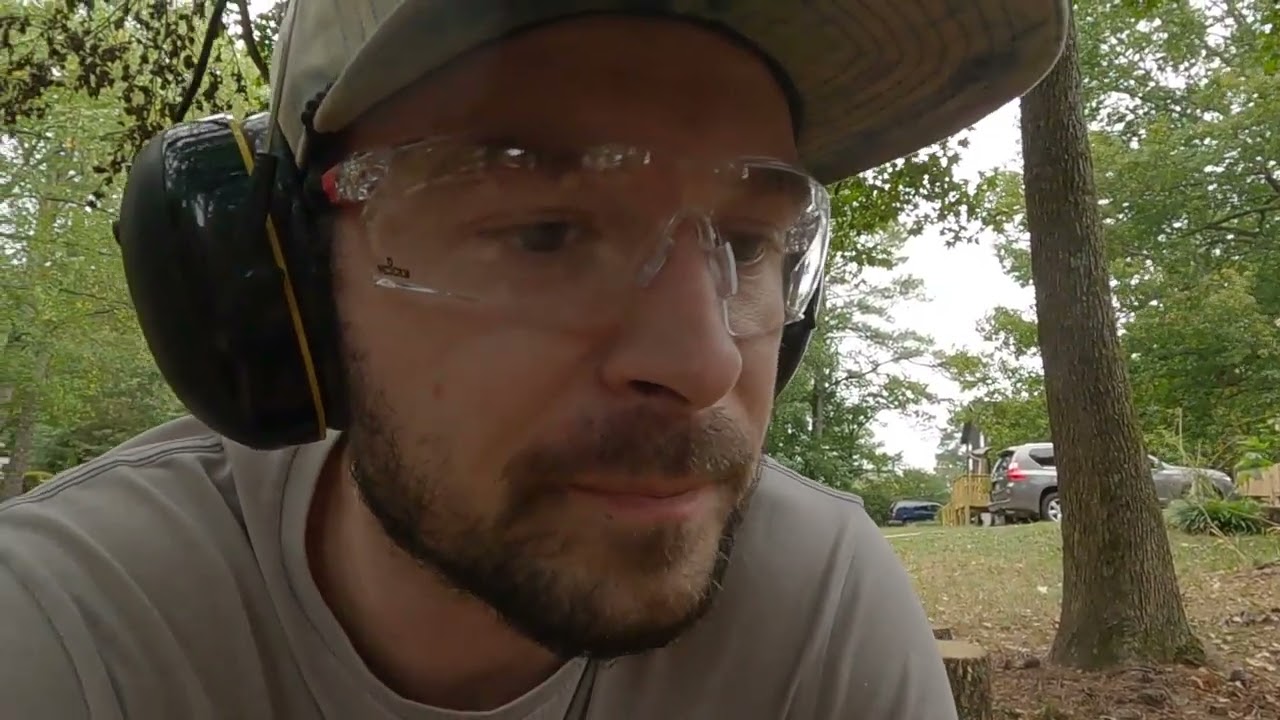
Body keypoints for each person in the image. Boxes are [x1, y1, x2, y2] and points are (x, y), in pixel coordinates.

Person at [0, 1, 1066, 718]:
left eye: (744, 246)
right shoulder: (69, 628)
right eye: (542, 234)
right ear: (291, 282)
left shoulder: (818, 607)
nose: (700, 361)